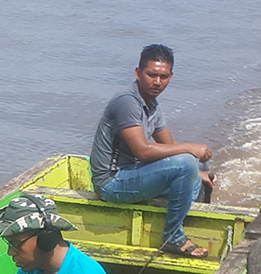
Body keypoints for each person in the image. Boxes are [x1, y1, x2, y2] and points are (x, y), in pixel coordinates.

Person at [90, 43, 216, 258]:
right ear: (138, 73)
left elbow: (170, 146)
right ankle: (173, 237)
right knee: (187, 162)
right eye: (152, 75)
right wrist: (189, 150)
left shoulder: (152, 105)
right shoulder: (127, 101)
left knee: (196, 164)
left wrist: (197, 168)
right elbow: (143, 151)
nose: (157, 82)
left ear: (171, 77)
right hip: (111, 183)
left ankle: (179, 216)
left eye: (164, 77)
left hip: (134, 173)